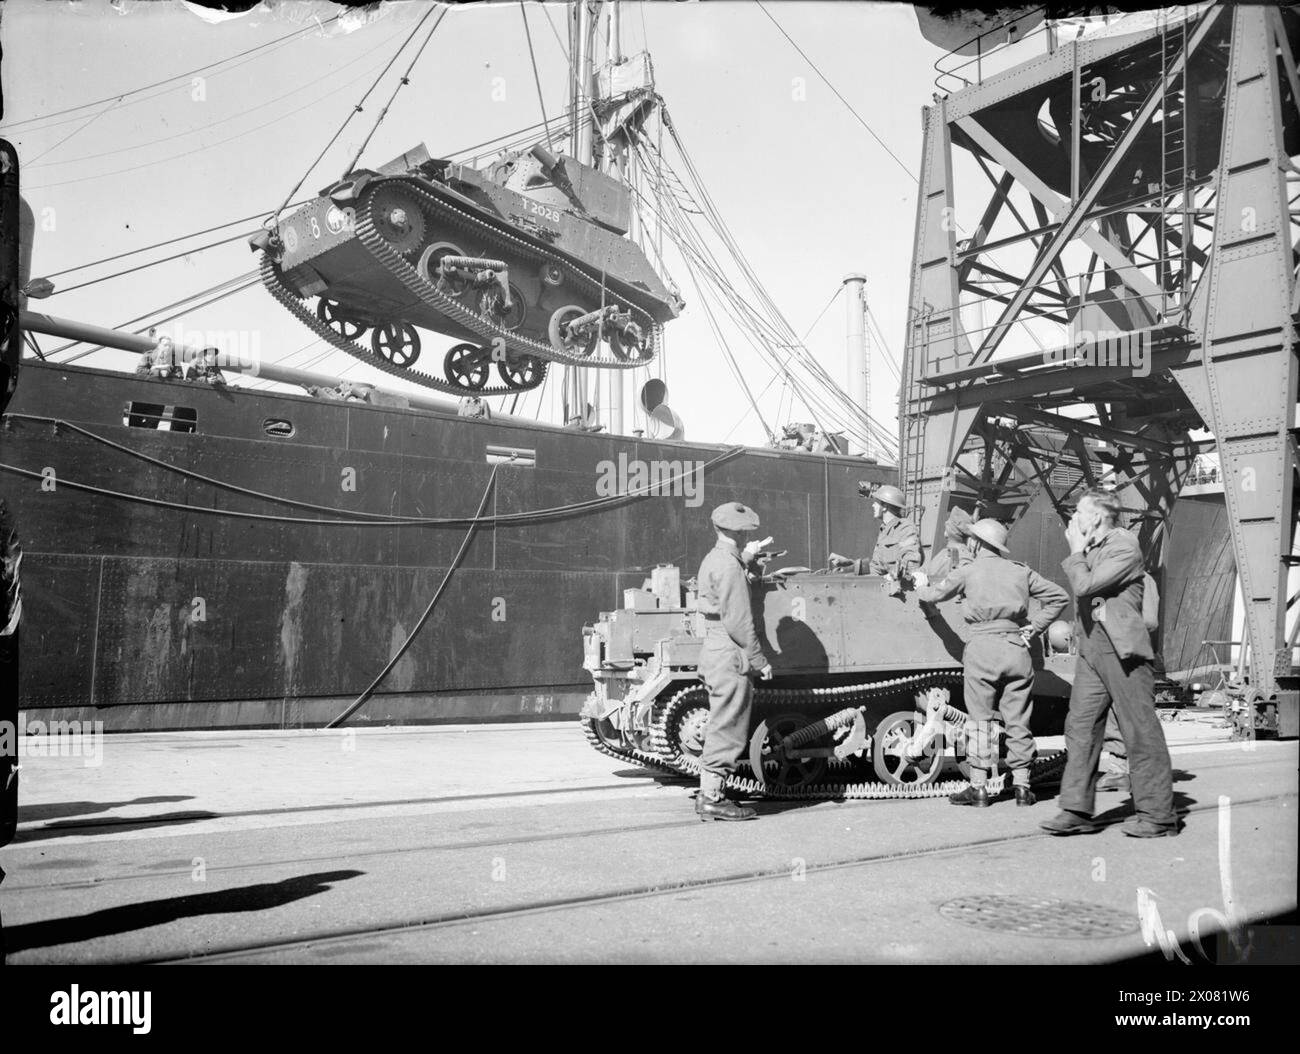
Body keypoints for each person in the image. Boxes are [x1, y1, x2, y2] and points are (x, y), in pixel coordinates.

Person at [1041, 488, 1179, 837]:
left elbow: (1086, 585)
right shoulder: (1094, 548)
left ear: (1098, 517)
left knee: (1139, 730)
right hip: (1092, 650)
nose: (1074, 519)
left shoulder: (1123, 546)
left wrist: (1074, 550)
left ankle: (1158, 816)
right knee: (1081, 727)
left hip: (1122, 649)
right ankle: (1076, 810)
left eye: (1080, 512)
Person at [916, 519, 1068, 807]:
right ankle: (1023, 787)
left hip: (982, 651)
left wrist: (921, 588)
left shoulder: (968, 571)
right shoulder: (1020, 572)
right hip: (1016, 650)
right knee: (1018, 719)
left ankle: (979, 788)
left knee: (980, 720)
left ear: (975, 543)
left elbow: (936, 595)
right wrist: (1034, 627)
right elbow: (1059, 597)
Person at [695, 501, 774, 821]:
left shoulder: (717, 558)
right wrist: (759, 660)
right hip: (730, 650)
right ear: (739, 533)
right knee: (728, 725)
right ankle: (712, 797)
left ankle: (711, 793)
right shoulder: (729, 566)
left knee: (722, 721)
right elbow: (740, 621)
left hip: (715, 647)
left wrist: (748, 560)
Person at [828, 484, 921, 595]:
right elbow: (876, 568)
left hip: (898, 591)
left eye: (876, 502)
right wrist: (849, 564)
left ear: (885, 506)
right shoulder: (885, 529)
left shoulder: (905, 528)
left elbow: (911, 563)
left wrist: (896, 573)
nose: (873, 505)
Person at [913, 506, 974, 589]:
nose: (945, 523)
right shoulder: (948, 551)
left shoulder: (959, 556)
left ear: (953, 531)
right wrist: (917, 574)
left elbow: (959, 584)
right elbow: (929, 569)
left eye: (948, 524)